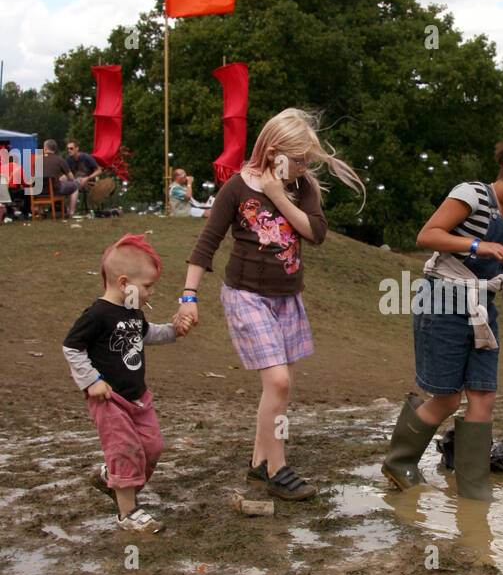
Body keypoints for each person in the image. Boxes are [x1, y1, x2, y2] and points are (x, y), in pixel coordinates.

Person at [177, 109, 364, 501]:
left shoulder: (302, 186)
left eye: (306, 160)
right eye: (297, 159)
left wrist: (280, 195)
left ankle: (260, 461)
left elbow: (316, 234)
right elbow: (206, 244)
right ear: (274, 151)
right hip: (246, 295)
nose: (303, 166)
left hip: (286, 299)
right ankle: (279, 468)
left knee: (279, 388)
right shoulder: (237, 188)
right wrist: (189, 296)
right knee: (278, 382)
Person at [381, 135, 503, 500]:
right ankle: (399, 461)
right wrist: (478, 245)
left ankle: (474, 489)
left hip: (482, 306)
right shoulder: (472, 194)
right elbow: (428, 234)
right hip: (443, 300)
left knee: (484, 397)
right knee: (448, 399)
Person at [61, 234, 189, 533]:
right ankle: (127, 513)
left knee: (152, 447)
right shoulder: (98, 314)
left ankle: (114, 477)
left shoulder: (132, 311)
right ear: (122, 283)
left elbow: (145, 334)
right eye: (147, 286)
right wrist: (92, 380)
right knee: (125, 449)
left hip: (138, 398)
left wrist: (174, 331)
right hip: (109, 398)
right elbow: (71, 347)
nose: (151, 292)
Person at [37, 139, 77, 212]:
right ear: (55, 149)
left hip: (39, 191)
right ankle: (71, 212)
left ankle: (41, 211)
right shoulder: (60, 160)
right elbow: (71, 178)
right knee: (75, 187)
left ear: (45, 148)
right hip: (55, 189)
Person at [65, 140, 100, 215]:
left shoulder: (86, 157)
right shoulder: (68, 159)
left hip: (88, 181)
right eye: (68, 149)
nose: (69, 150)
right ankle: (60, 208)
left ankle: (71, 211)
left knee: (74, 184)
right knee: (62, 181)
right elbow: (66, 173)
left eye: (71, 148)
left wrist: (88, 178)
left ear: (77, 148)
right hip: (75, 180)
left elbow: (99, 170)